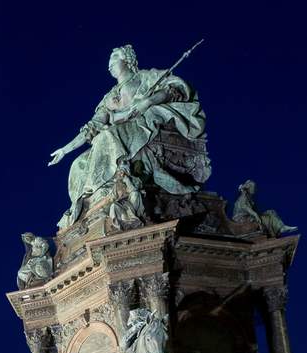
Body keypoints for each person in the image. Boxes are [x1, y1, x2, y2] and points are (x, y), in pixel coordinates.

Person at [48, 44, 207, 229]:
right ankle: (91, 201)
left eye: (113, 59)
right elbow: (92, 127)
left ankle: (111, 189)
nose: (109, 65)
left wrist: (148, 101)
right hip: (119, 133)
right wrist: (65, 150)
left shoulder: (145, 77)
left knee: (106, 137)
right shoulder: (109, 97)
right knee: (79, 164)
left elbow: (174, 87)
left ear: (128, 60)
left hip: (142, 126)